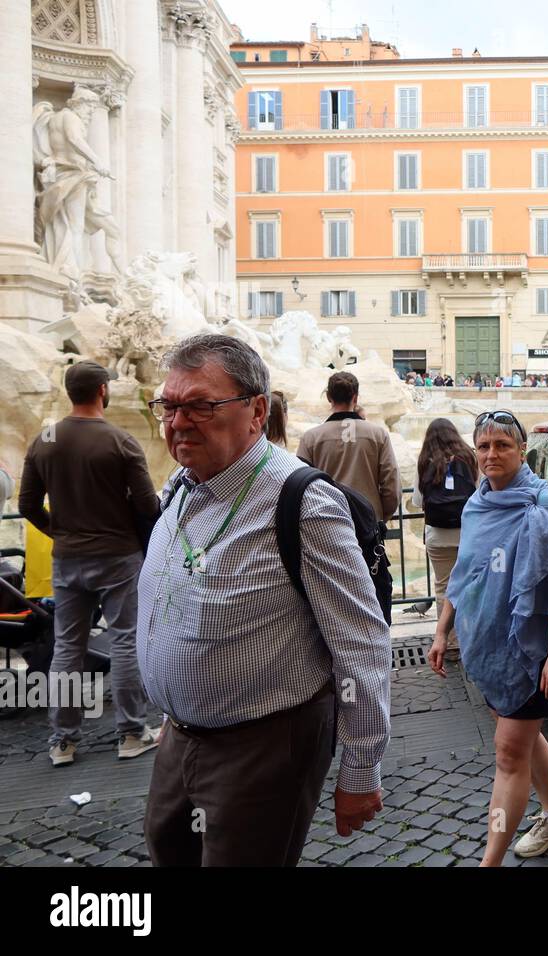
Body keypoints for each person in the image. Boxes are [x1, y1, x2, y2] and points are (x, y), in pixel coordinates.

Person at [138, 334, 390, 866]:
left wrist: (360, 771)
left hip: (264, 748)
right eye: (170, 406)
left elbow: (362, 642)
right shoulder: (180, 488)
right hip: (180, 738)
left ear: (256, 411)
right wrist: (177, 705)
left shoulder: (303, 503)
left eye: (201, 406)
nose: (179, 422)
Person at [428, 410, 548, 866]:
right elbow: (465, 574)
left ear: (521, 451)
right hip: (487, 648)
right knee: (522, 739)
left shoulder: (542, 504)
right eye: (483, 446)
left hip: (531, 650)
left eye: (502, 445)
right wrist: (442, 629)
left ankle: (490, 862)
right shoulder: (478, 502)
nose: (491, 454)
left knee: (508, 753)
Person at [18, 361, 160, 766]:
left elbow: (27, 504)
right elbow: (149, 505)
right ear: (102, 390)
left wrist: (59, 532)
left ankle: (63, 741)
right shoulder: (120, 440)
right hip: (119, 557)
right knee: (125, 640)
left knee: (68, 646)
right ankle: (132, 733)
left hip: (68, 559)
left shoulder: (44, 441)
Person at [296, 371, 401, 623]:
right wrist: (381, 514)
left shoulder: (311, 437)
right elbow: (390, 482)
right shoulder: (377, 434)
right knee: (373, 591)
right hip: (368, 529)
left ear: (329, 397)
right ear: (356, 396)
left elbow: (299, 485)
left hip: (325, 526)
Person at [411, 418, 477, 657]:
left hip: (438, 536)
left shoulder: (424, 462)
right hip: (467, 534)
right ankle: (470, 635)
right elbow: (479, 493)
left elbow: (418, 501)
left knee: (443, 588)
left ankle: (449, 640)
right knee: (470, 586)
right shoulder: (469, 458)